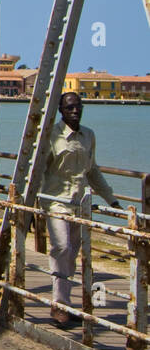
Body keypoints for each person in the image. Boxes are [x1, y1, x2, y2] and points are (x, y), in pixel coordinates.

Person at [41, 91, 121, 329]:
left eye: (78, 106)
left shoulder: (89, 136)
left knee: (72, 254)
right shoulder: (50, 136)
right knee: (61, 248)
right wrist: (28, 203)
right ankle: (58, 305)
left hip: (79, 205)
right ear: (60, 111)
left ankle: (65, 305)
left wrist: (112, 200)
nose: (75, 111)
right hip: (55, 201)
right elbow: (37, 172)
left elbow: (92, 170)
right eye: (69, 108)